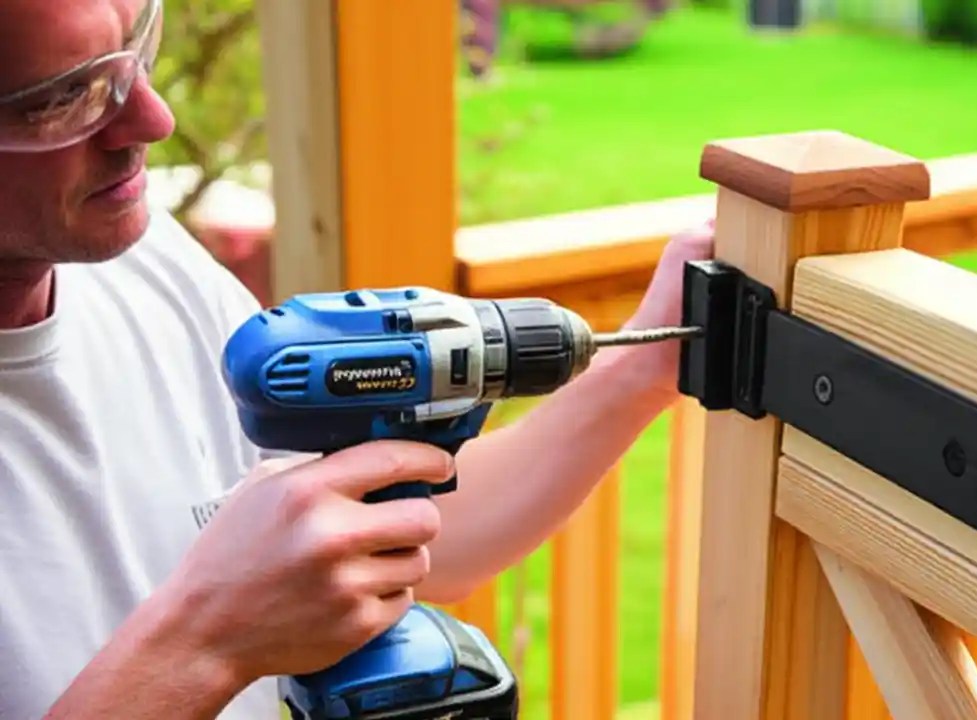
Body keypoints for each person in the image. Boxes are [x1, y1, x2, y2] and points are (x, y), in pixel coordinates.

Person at [0, 0, 714, 718]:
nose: (154, 120)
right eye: (67, 96)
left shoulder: (146, 264)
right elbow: (233, 610)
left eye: (133, 48)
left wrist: (640, 366)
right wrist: (208, 640)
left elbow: (393, 538)